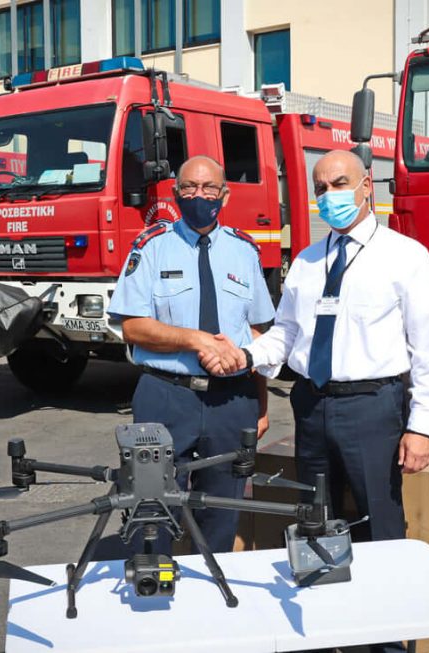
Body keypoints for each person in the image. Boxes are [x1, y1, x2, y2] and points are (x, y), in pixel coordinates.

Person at [201, 149, 429, 540]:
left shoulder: (405, 257)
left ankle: (382, 599)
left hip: (372, 407)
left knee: (378, 518)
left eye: (339, 184)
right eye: (321, 188)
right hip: (312, 406)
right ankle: (324, 591)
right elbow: (287, 334)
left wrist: (421, 427)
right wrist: (245, 354)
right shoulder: (307, 262)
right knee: (316, 514)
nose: (329, 194)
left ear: (366, 186)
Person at [108, 155, 276, 554]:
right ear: (175, 192)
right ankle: (154, 586)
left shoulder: (244, 251)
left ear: (225, 194)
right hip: (167, 395)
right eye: (189, 188)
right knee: (152, 503)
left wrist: (262, 404)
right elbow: (132, 327)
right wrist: (196, 340)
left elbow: (257, 333)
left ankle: (209, 589)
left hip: (232, 399)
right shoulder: (151, 247)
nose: (199, 196)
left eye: (209, 188)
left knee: (221, 505)